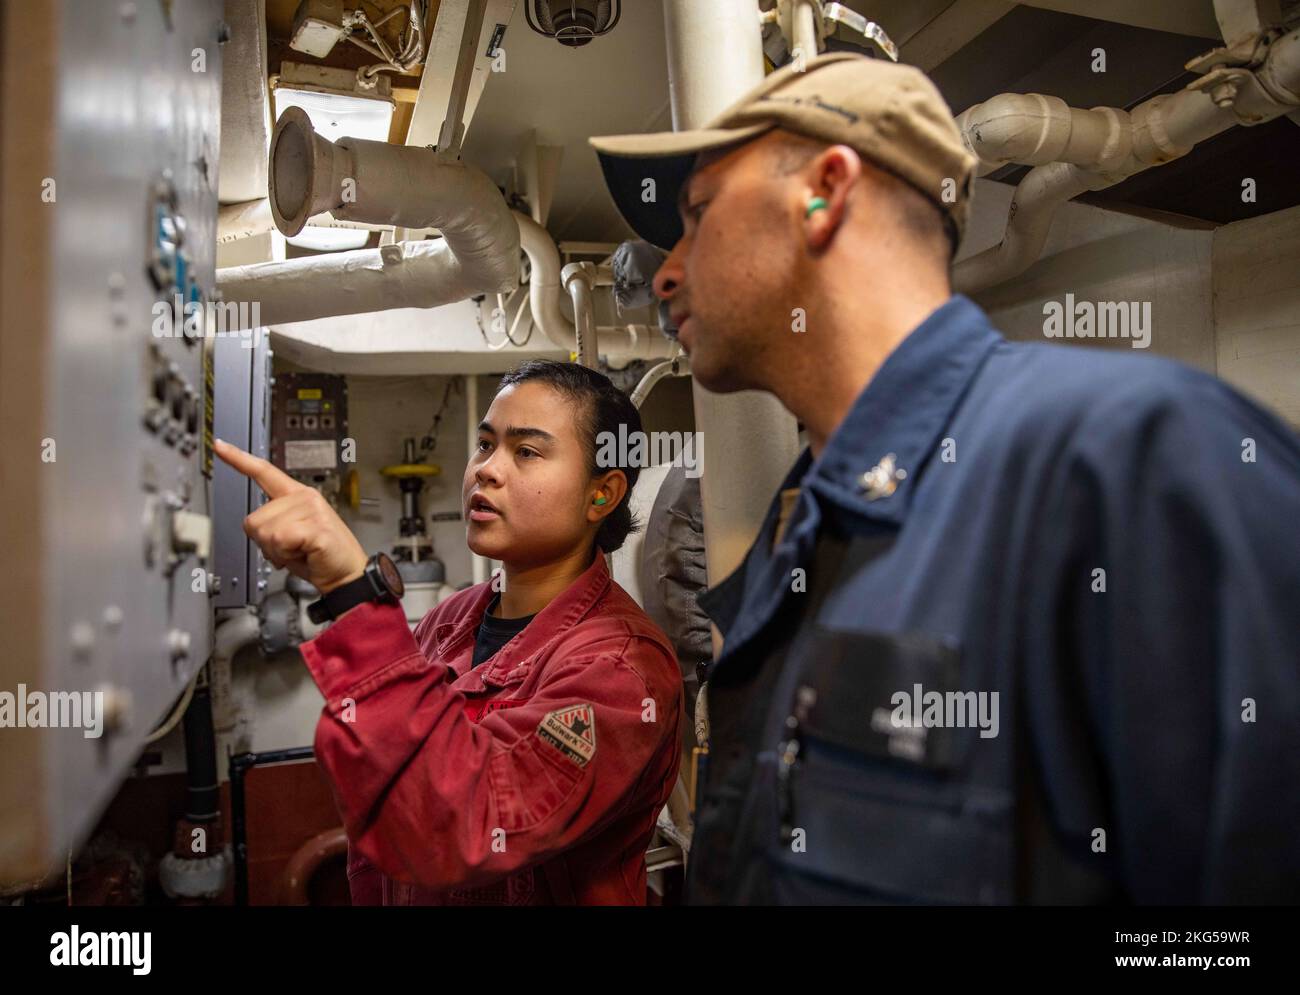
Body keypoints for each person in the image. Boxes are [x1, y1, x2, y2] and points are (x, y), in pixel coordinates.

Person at [588, 51, 1300, 903]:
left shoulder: (1133, 461)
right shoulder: (805, 524)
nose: (667, 270)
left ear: (823, 192)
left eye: (700, 216)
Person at [214, 360, 684, 905]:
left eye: (526, 452)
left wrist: (352, 592)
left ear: (601, 495)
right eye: (485, 445)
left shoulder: (621, 669)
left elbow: (469, 828)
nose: (486, 470)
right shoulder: (451, 619)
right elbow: (389, 796)